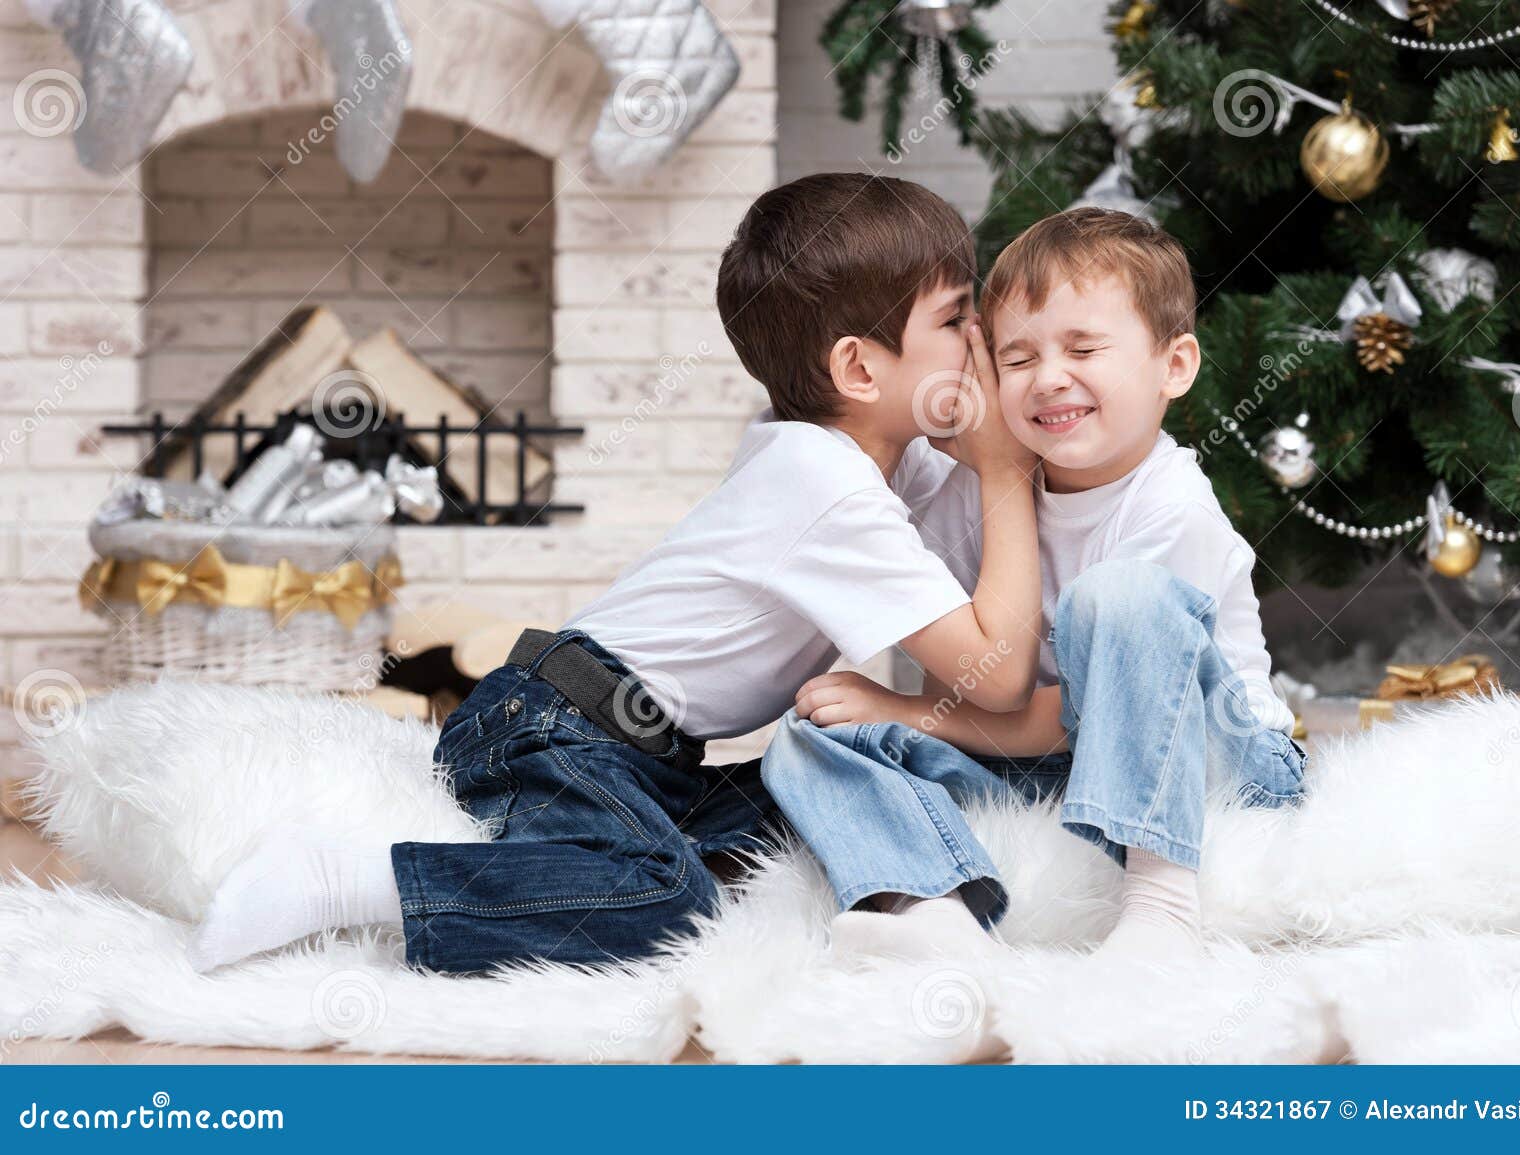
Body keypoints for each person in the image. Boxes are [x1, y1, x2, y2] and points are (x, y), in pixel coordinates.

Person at [186, 173, 1042, 974]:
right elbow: (993, 670)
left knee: (828, 799)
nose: (978, 346)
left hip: (644, 757)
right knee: (670, 901)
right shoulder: (825, 484)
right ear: (859, 369)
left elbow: (996, 577)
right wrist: (1004, 469)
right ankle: (345, 880)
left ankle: (901, 907)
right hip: (550, 726)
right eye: (956, 321)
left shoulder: (871, 460)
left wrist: (1023, 445)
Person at [763, 206, 1305, 967]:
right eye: (1017, 359)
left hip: (1221, 758)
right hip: (1057, 767)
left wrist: (915, 714)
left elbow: (1070, 716)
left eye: (1084, 347)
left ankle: (1161, 909)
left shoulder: (1171, 505)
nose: (1049, 377)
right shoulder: (981, 488)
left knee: (1115, 598)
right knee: (816, 734)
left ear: (1173, 367)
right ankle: (935, 908)